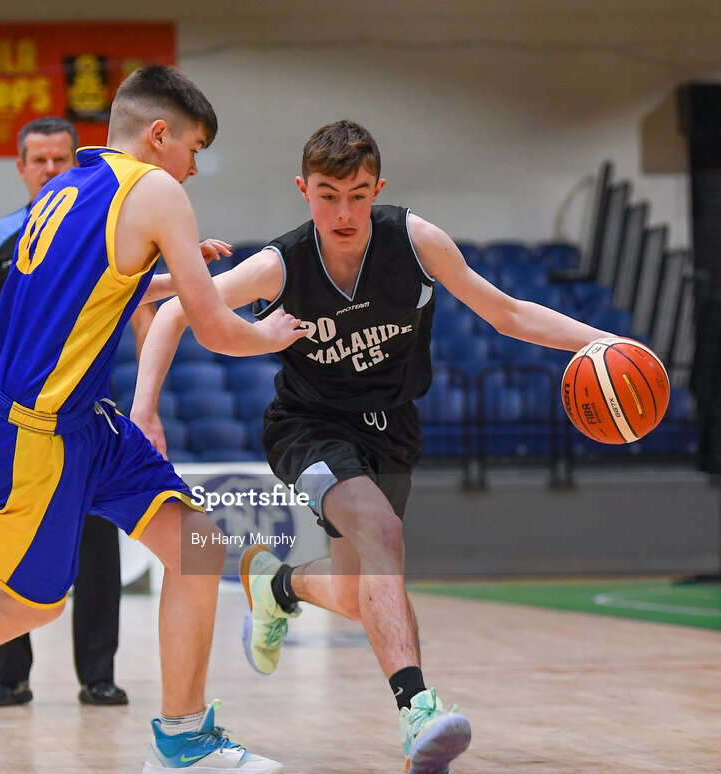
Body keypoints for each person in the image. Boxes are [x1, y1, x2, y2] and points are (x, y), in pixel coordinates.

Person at [0, 65, 305, 774]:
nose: (195, 168)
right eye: (194, 149)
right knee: (30, 607)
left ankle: (184, 740)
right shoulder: (154, 188)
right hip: (37, 429)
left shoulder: (68, 185)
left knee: (195, 544)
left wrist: (176, 269)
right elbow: (216, 329)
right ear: (159, 135)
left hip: (79, 420)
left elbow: (98, 284)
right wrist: (271, 333)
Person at [130, 119, 613, 774]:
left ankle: (280, 585)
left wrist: (600, 342)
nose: (344, 212)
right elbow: (176, 312)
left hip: (392, 428)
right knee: (382, 533)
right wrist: (145, 409)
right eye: (328, 195)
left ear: (378, 188)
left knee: (362, 590)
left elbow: (507, 312)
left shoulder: (416, 243)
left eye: (358, 194)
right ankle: (419, 710)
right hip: (310, 427)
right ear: (304, 191)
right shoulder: (282, 264)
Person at [0, 115, 129, 708]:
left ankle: (98, 673)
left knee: (100, 546)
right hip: (17, 421)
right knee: (7, 543)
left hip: (86, 413)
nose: (52, 169)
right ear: (22, 166)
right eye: (41, 160)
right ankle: (10, 673)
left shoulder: (101, 227)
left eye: (62, 159)